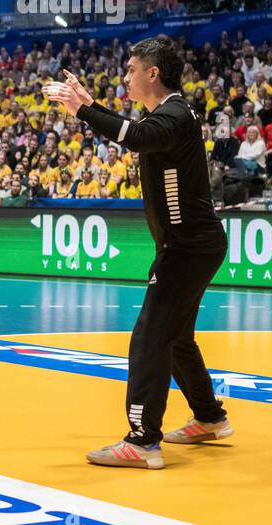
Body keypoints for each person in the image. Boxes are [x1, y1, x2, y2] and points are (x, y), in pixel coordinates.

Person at [45, 37, 233, 470]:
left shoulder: (173, 114)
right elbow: (138, 132)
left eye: (131, 69)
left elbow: (138, 137)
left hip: (187, 247)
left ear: (153, 73)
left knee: (149, 335)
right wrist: (92, 108)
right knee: (176, 336)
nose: (125, 76)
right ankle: (209, 417)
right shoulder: (169, 114)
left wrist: (84, 110)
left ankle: (143, 440)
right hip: (191, 244)